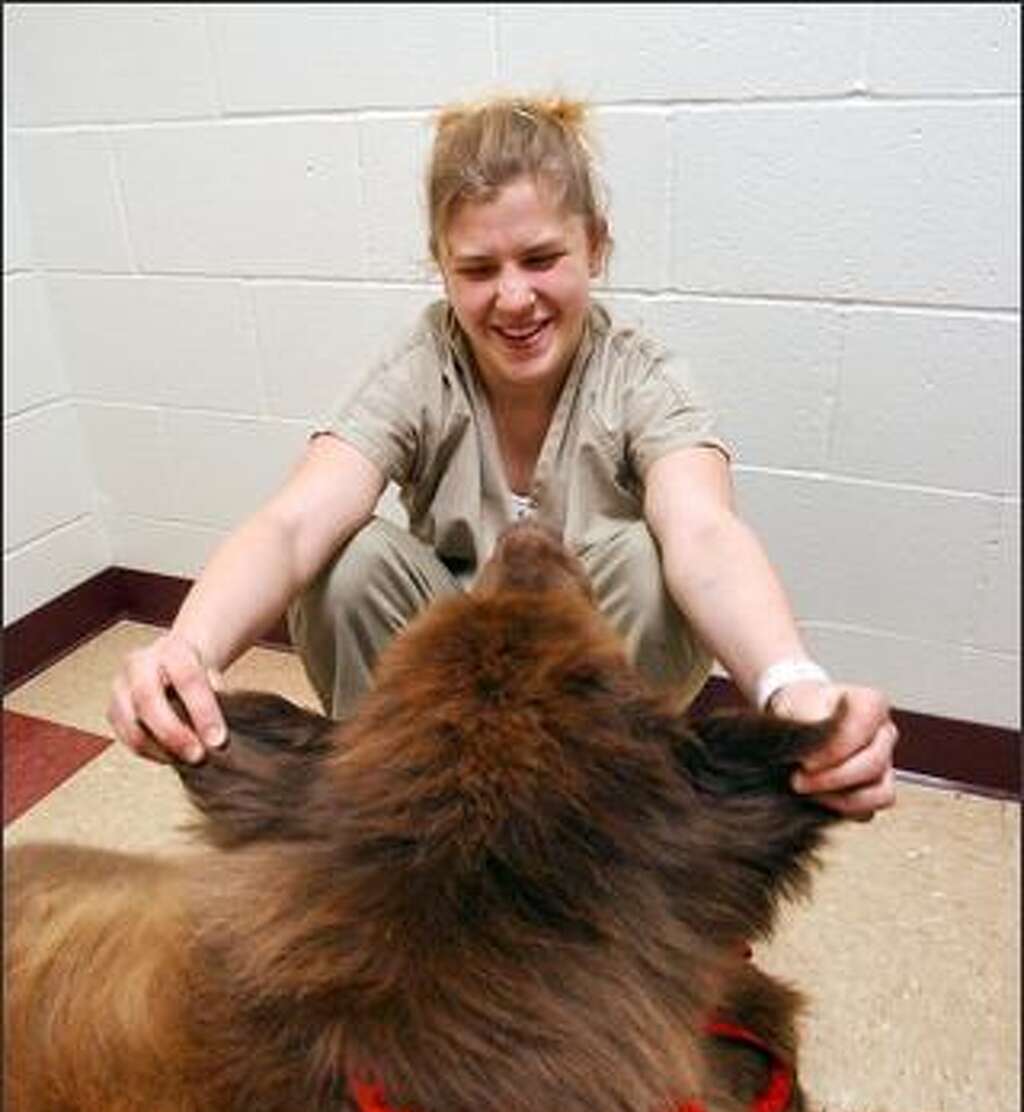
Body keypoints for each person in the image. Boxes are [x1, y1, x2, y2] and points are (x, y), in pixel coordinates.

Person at [108, 95, 897, 820]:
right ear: (441, 267)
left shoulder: (644, 381)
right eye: (478, 270)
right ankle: (394, 819)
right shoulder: (420, 368)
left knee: (652, 562)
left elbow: (705, 534)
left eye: (541, 258)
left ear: (596, 246)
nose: (514, 299)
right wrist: (187, 651)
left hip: (592, 701)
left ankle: (605, 824)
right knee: (347, 561)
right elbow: (292, 525)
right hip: (440, 690)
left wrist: (792, 686)